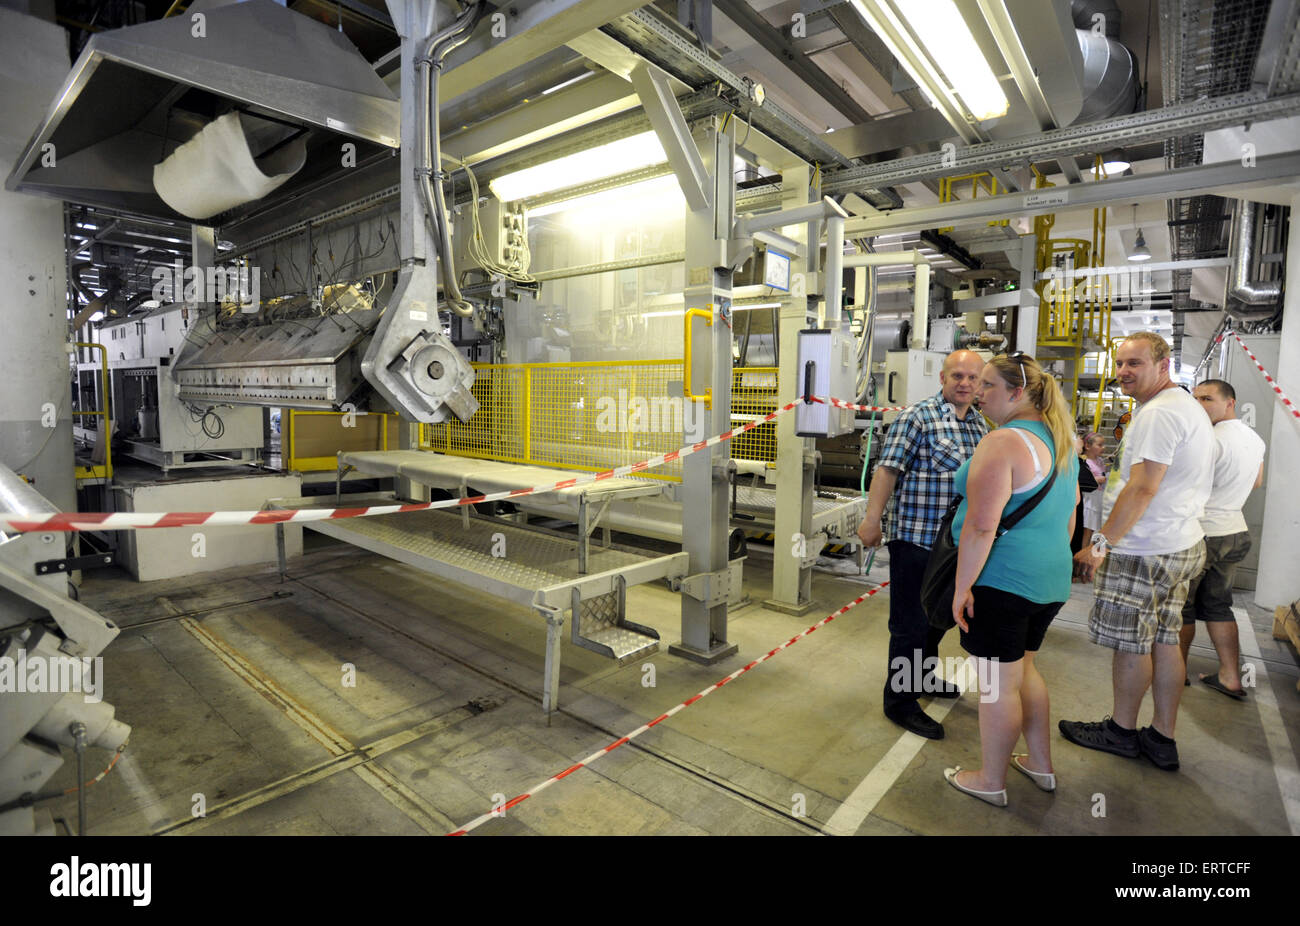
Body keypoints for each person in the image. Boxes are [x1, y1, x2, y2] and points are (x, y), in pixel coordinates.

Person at [1060, 332, 1214, 772]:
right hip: (1180, 543)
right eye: (1120, 363)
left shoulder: (1159, 414)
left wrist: (1100, 543)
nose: (1124, 372)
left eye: (1135, 363)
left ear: (1163, 365)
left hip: (1144, 549)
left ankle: (1121, 731)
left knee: (1131, 644)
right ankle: (1162, 737)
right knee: (1165, 641)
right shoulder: (1186, 407)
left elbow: (1143, 487)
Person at [941, 353, 1079, 807]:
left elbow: (981, 527)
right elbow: (1070, 517)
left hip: (1004, 581)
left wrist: (962, 588)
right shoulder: (1062, 441)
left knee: (997, 684)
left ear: (1016, 392)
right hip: (1050, 578)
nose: (978, 393)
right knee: (1025, 669)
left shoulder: (1002, 443)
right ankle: (1040, 764)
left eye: (987, 385)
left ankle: (989, 779)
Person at [858, 350, 987, 740]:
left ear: (981, 384)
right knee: (910, 625)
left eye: (972, 378)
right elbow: (887, 470)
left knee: (937, 619)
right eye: (957, 376)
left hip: (954, 544)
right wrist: (871, 518)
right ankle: (899, 700)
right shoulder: (918, 418)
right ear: (942, 379)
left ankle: (923, 679)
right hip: (915, 538)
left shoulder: (981, 426)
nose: (964, 383)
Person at [1178, 379, 1266, 699]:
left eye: (1208, 399)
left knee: (1181, 608)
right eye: (1197, 398)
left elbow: (1184, 485)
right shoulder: (1254, 439)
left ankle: (1175, 674)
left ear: (1230, 402)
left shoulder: (1209, 440)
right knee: (1219, 606)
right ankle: (1230, 676)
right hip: (1234, 530)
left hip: (1203, 533)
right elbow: (1256, 482)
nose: (1200, 404)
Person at [1077, 432, 1107, 552]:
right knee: (1086, 529)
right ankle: (1080, 554)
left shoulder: (1100, 461)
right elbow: (1083, 480)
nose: (1103, 447)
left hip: (1098, 499)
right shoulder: (1085, 462)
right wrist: (1099, 480)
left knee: (1094, 529)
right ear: (1088, 446)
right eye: (1099, 445)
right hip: (1089, 499)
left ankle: (1090, 553)